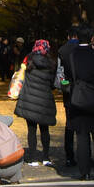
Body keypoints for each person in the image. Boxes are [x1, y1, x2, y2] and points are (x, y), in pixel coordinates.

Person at [65, 27, 94, 181]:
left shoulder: (71, 56)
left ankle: (84, 172)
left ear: (77, 38)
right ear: (92, 39)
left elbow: (67, 76)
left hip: (78, 98)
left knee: (82, 137)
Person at [14, 37, 57, 166]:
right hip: (44, 100)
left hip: (30, 99)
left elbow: (21, 73)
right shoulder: (51, 62)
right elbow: (53, 84)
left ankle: (32, 157)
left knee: (31, 130)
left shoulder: (29, 59)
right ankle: (45, 157)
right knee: (45, 130)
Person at [57, 29, 79, 166]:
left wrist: (63, 85)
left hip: (68, 90)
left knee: (69, 123)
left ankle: (69, 156)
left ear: (68, 36)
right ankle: (86, 154)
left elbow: (60, 72)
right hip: (83, 91)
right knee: (84, 124)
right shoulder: (84, 48)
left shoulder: (62, 50)